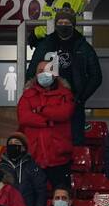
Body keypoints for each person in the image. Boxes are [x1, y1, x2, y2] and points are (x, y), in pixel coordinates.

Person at [26, 10, 101, 148]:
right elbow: (31, 73)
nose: (63, 25)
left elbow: (96, 76)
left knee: (74, 144)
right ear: (55, 24)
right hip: (47, 103)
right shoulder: (45, 45)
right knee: (47, 144)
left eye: (67, 23)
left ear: (73, 25)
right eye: (60, 23)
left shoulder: (83, 47)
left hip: (73, 105)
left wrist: (80, 98)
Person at [16, 68, 76, 189]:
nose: (44, 73)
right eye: (40, 70)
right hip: (33, 156)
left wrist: (40, 110)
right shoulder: (27, 95)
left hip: (59, 157)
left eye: (47, 70)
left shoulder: (65, 94)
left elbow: (64, 113)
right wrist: (48, 121)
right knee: (31, 197)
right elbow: (24, 117)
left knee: (61, 196)